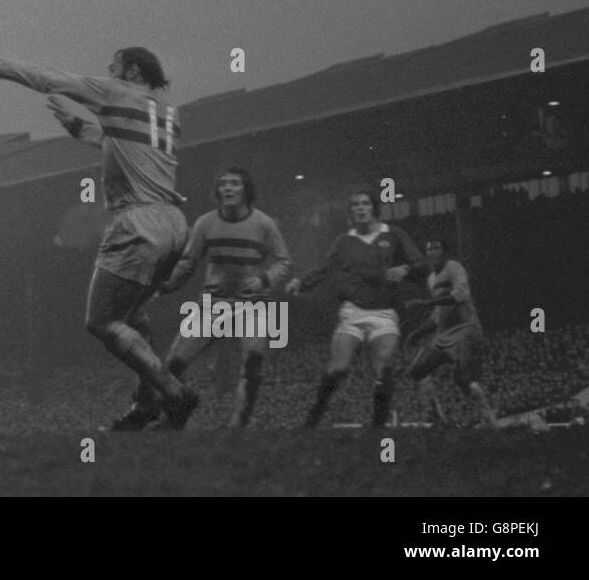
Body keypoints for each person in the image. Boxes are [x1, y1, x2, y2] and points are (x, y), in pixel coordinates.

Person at [0, 49, 198, 428]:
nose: (108, 70)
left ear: (132, 70)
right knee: (134, 315)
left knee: (101, 321)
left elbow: (45, 77)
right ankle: (146, 404)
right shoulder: (169, 113)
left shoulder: (114, 91)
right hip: (173, 223)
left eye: (114, 65)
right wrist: (77, 127)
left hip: (137, 222)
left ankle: (174, 393)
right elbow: (118, 145)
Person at [146, 167, 292, 428]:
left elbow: (283, 260)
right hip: (212, 305)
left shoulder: (263, 223)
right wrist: (165, 286)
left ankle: (239, 425)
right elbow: (188, 263)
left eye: (234, 183)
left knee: (252, 367)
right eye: (223, 184)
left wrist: (263, 280)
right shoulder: (205, 223)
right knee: (173, 364)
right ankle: (176, 417)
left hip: (252, 306)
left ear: (246, 190)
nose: (228, 188)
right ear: (217, 192)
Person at [285, 189, 424, 428]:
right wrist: (302, 281)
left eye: (365, 204)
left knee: (384, 367)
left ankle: (377, 428)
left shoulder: (393, 234)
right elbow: (325, 267)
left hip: (384, 313)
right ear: (351, 212)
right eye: (355, 205)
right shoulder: (344, 240)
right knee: (339, 368)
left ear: (374, 208)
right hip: (353, 312)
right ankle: (314, 417)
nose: (360, 208)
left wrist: (406, 270)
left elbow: (420, 262)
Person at [402, 238, 498, 427]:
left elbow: (460, 294)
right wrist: (417, 333)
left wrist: (424, 303)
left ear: (444, 251)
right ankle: (439, 419)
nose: (432, 252)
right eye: (429, 249)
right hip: (443, 334)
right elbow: (438, 315)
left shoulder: (454, 267)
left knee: (462, 377)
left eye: (436, 247)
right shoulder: (431, 279)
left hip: (465, 329)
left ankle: (491, 422)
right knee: (417, 370)